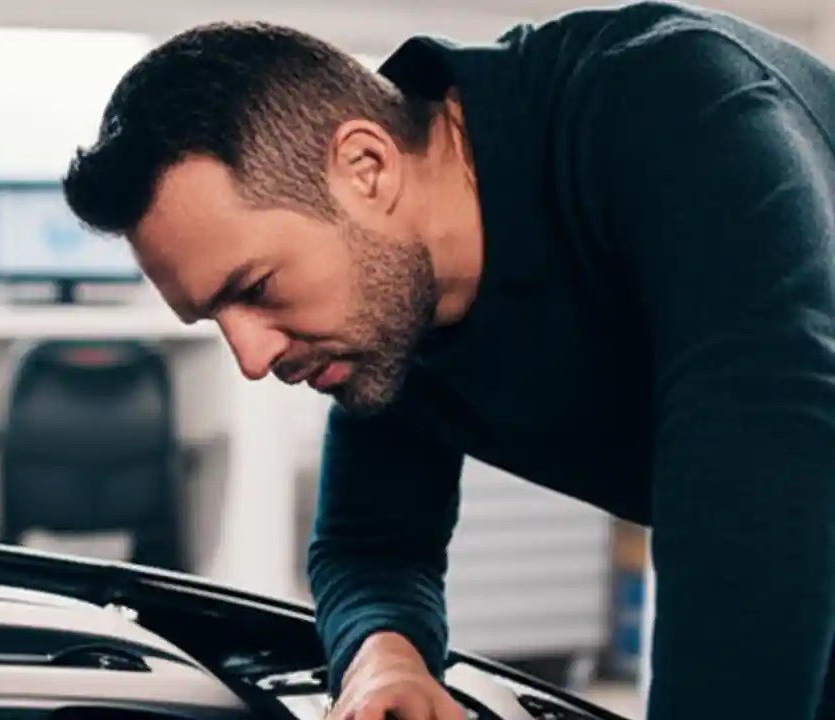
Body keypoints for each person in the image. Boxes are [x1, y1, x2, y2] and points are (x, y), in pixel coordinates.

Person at [60, 1, 835, 718]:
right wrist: (382, 654)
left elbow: (764, 485)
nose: (252, 357)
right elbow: (371, 545)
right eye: (212, 319)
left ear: (366, 168)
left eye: (256, 287)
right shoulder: (393, 306)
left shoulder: (679, 110)